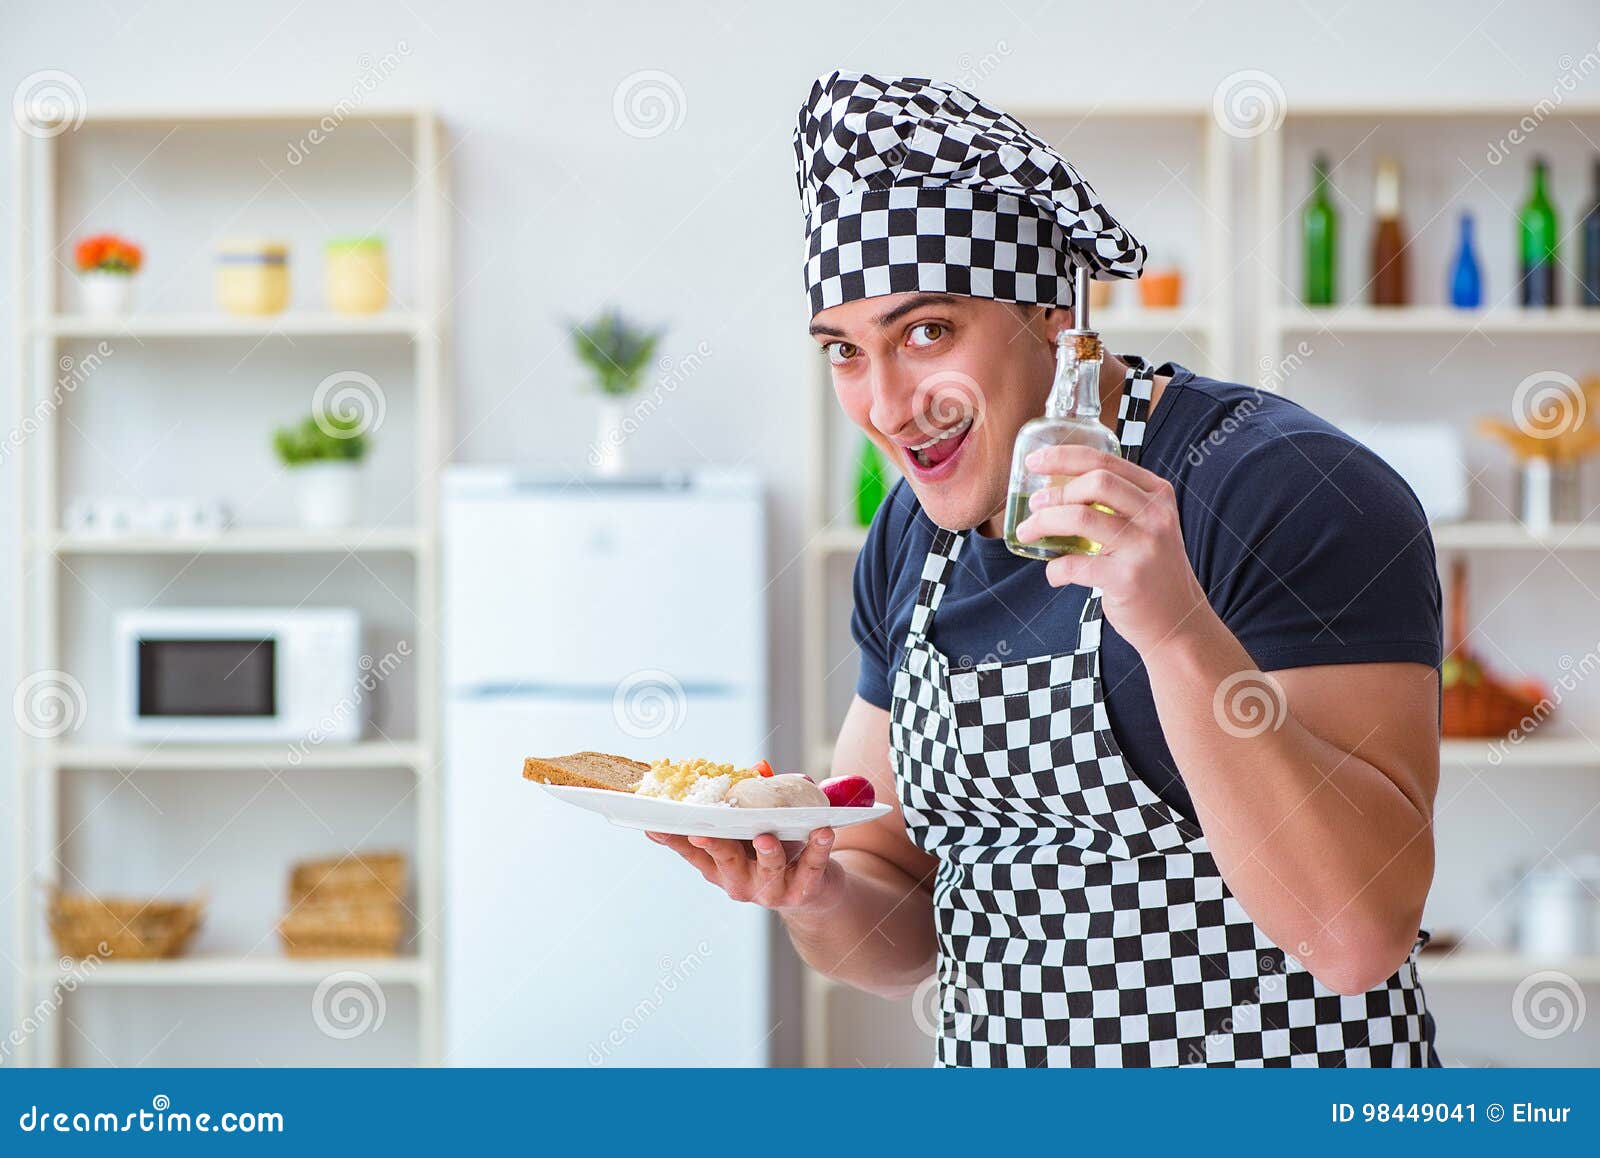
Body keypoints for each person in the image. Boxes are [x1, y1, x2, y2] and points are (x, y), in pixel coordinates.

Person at [649, 71, 1442, 1067]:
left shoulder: (1281, 488)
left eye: (925, 333)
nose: (887, 406)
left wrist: (1174, 629)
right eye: (845, 353)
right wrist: (812, 890)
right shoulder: (910, 537)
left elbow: (1354, 939)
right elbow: (893, 914)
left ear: (1056, 321)